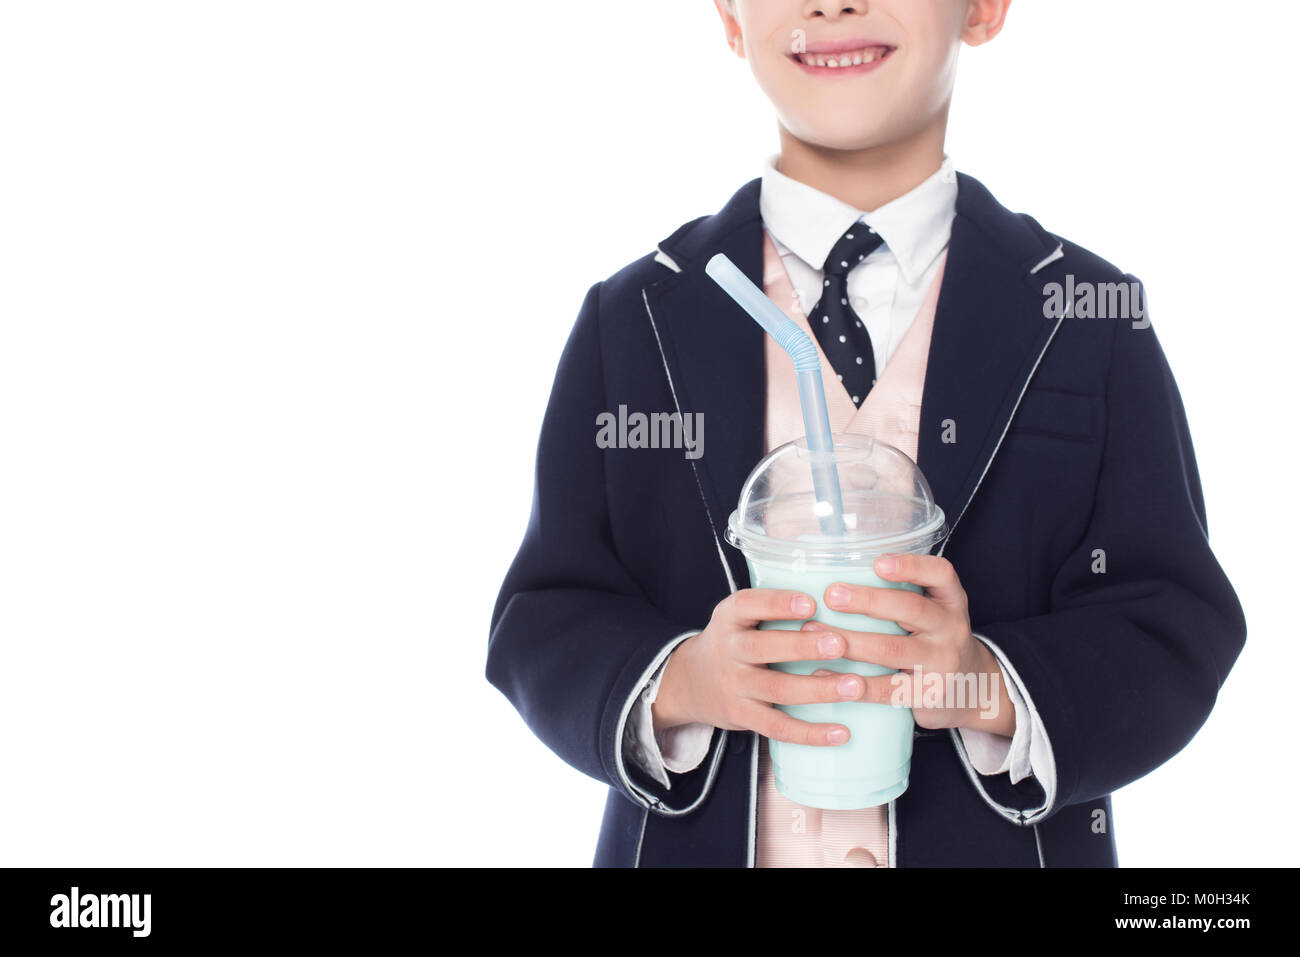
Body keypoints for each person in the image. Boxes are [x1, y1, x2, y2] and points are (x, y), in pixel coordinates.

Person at [486, 0, 1247, 867]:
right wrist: (682, 682)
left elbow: (1172, 623)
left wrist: (987, 682)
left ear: (987, 7)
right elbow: (543, 616)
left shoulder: (1090, 317)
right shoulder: (632, 319)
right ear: (729, 17)